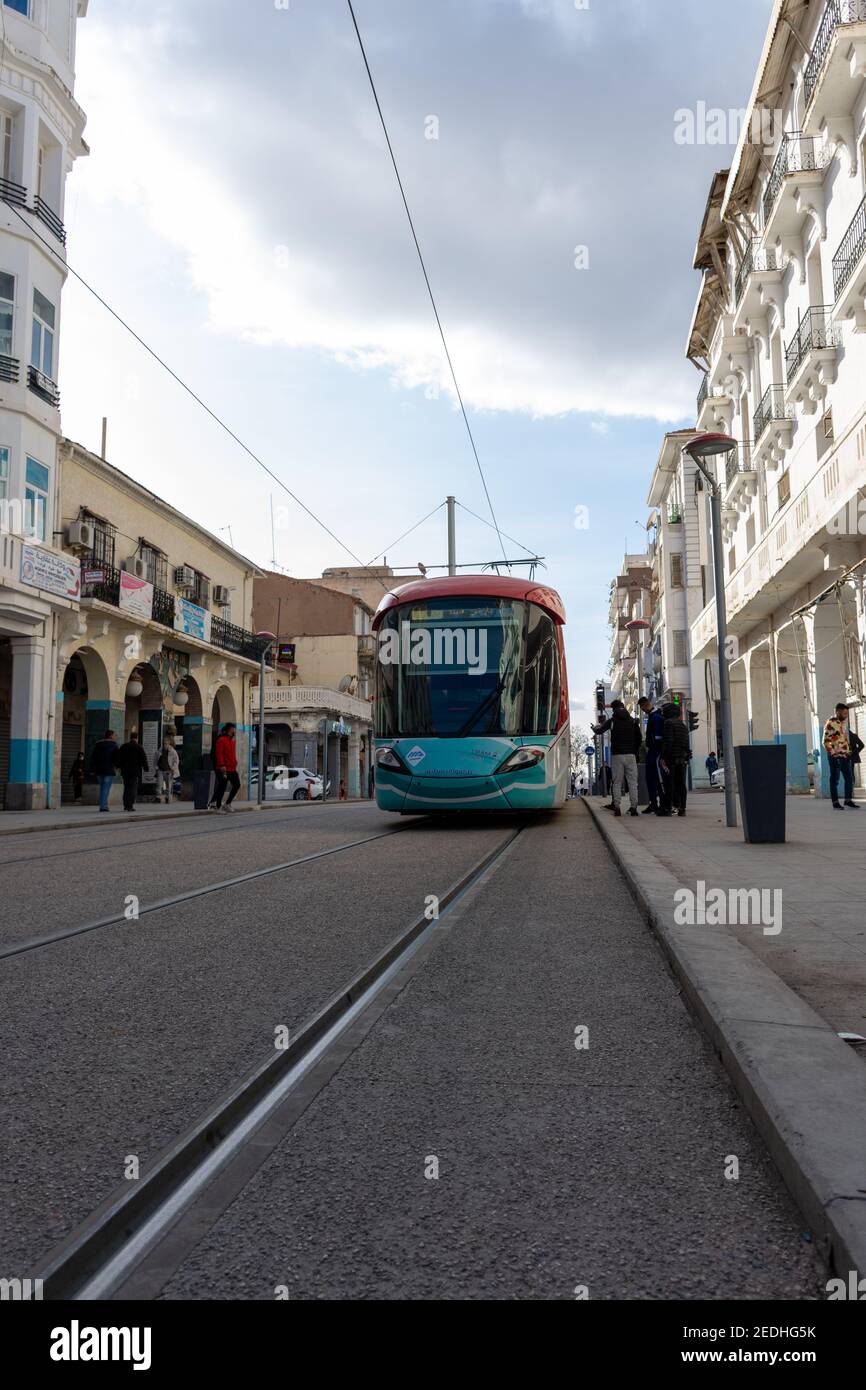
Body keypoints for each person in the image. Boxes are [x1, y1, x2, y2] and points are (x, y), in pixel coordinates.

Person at [592, 699, 641, 817]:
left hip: (617, 755)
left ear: (613, 709)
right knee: (633, 782)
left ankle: (617, 807)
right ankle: (634, 808)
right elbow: (639, 738)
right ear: (623, 706)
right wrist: (634, 750)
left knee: (617, 782)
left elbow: (599, 731)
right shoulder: (633, 721)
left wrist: (594, 728)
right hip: (631, 755)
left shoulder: (612, 721)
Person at [823, 702, 859, 809]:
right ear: (837, 712)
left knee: (849, 778)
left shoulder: (842, 724)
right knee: (835, 779)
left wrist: (848, 751)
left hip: (845, 756)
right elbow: (825, 741)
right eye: (844, 713)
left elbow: (842, 740)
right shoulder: (831, 723)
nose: (846, 715)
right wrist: (833, 754)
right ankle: (835, 802)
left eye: (847, 713)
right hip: (835, 757)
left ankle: (848, 800)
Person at [659, 702, 691, 817]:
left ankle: (667, 808)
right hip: (681, 759)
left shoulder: (668, 723)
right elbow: (687, 744)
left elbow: (668, 741)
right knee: (681, 784)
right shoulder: (683, 725)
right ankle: (682, 808)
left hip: (671, 759)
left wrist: (663, 757)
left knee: (669, 784)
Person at [639, 697, 664, 814]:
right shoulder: (652, 717)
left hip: (656, 753)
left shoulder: (656, 717)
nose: (643, 710)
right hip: (652, 752)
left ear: (645, 705)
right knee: (650, 779)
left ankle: (661, 804)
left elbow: (658, 737)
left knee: (657, 780)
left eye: (642, 708)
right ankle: (653, 803)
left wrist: (658, 752)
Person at [115, 731, 149, 813]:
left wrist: (118, 766)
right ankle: (130, 805)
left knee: (126, 788)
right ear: (137, 738)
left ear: (130, 737)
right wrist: (146, 768)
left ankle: (126, 805)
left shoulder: (124, 746)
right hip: (135, 771)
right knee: (133, 788)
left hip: (125, 771)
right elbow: (143, 758)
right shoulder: (139, 747)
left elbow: (119, 758)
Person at [211, 722, 240, 812]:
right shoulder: (221, 740)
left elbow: (232, 754)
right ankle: (218, 806)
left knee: (237, 784)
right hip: (223, 768)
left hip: (232, 768)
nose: (235, 731)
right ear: (229, 730)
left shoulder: (232, 741)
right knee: (222, 787)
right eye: (233, 729)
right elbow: (218, 754)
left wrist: (235, 762)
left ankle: (227, 804)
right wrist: (222, 765)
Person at [90, 729, 118, 812]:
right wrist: (116, 767)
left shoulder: (97, 745)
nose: (115, 737)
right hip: (109, 769)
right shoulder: (114, 745)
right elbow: (116, 757)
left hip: (99, 769)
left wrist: (92, 769)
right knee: (105, 788)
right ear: (110, 736)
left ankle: (103, 804)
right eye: (114, 735)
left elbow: (93, 758)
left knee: (102, 787)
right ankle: (103, 806)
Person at [156, 739, 180, 804]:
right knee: (159, 784)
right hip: (160, 770)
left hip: (169, 770)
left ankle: (168, 798)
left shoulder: (172, 751)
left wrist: (173, 768)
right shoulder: (159, 751)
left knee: (168, 785)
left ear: (169, 744)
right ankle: (158, 797)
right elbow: (155, 759)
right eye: (164, 743)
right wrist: (156, 767)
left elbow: (176, 761)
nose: (165, 745)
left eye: (166, 744)